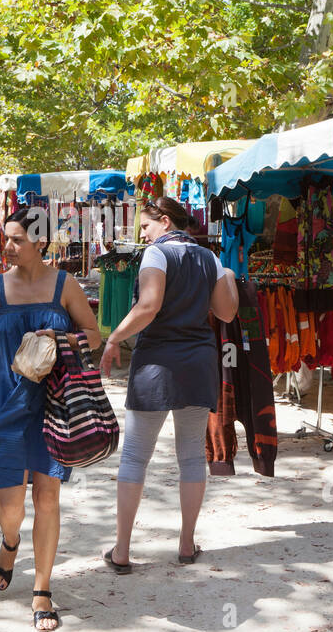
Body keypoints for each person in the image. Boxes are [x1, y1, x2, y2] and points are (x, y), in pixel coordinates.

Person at [0, 206, 102, 632]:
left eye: (17, 240)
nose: (7, 246)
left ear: (40, 242)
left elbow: (95, 336)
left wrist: (60, 338)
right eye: (6, 238)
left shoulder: (65, 285)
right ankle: (10, 541)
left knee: (47, 498)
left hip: (54, 406)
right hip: (7, 406)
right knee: (10, 505)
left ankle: (42, 590)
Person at [99, 196, 238, 571]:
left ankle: (123, 551)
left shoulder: (156, 255)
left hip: (157, 363)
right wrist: (225, 273)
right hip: (197, 362)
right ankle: (187, 544)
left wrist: (113, 339)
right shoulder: (208, 258)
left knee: (135, 456)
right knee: (191, 455)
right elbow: (227, 312)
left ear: (163, 221)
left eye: (145, 226)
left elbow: (148, 306)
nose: (142, 234)